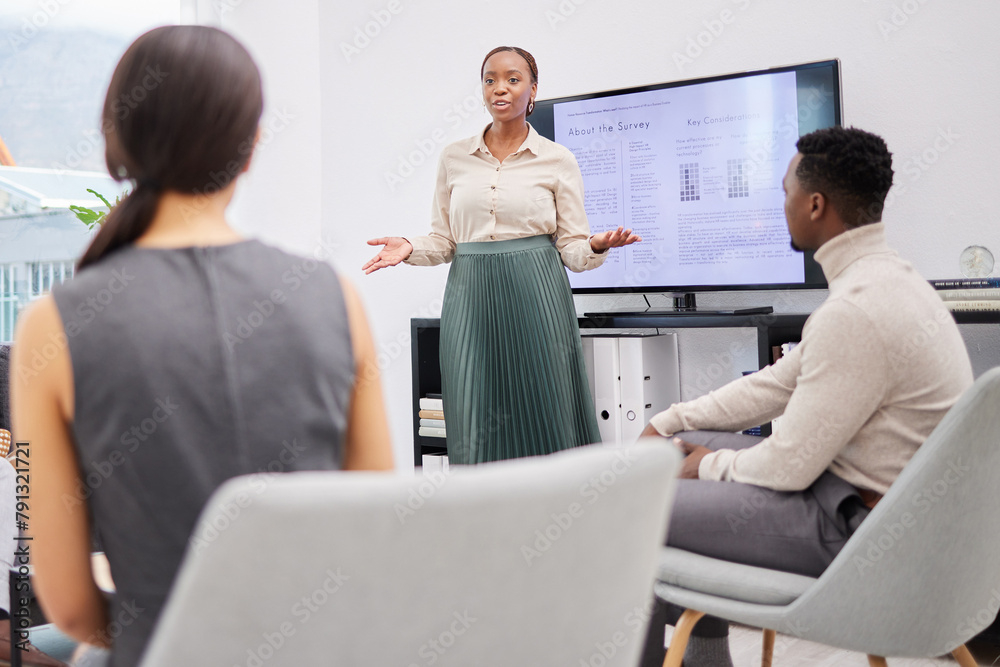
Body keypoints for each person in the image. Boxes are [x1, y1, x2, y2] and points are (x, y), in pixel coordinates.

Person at [10, 26, 393, 667]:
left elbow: (69, 606)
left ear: (117, 143)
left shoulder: (51, 325)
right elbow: (375, 536)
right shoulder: (335, 298)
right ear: (250, 148)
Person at [637, 126, 974, 667]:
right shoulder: (888, 281)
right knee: (685, 443)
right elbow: (776, 384)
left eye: (785, 192)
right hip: (868, 503)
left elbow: (789, 464)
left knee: (638, 505)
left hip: (863, 534)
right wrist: (672, 421)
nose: (783, 205)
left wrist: (704, 466)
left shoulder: (855, 312)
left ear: (815, 205)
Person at [364, 46, 640, 464]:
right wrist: (409, 246)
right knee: (471, 403)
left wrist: (596, 245)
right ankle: (482, 504)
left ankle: (558, 499)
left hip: (537, 294)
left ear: (533, 90)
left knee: (546, 405)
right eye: (490, 79)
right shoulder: (454, 157)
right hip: (470, 297)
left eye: (513, 79)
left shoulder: (557, 159)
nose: (500, 88)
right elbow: (445, 240)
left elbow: (572, 248)